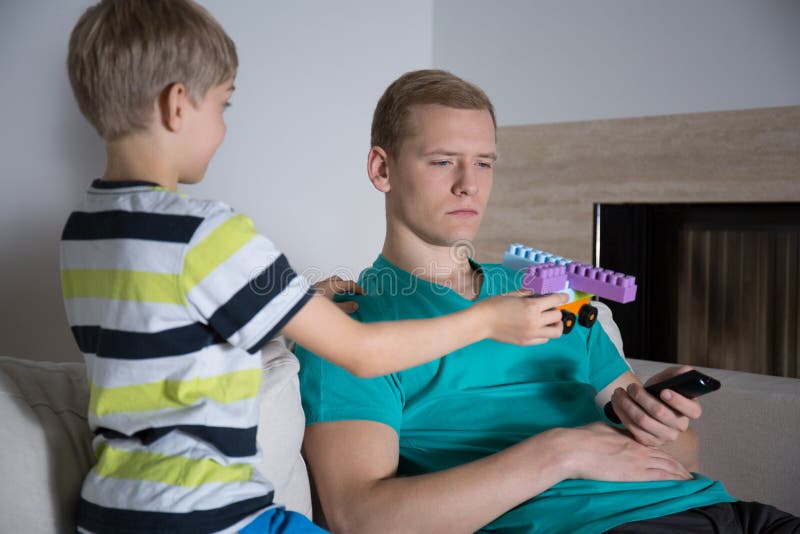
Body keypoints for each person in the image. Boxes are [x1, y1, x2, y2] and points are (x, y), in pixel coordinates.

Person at [59, 4, 567, 533]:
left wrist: (295, 306)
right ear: (177, 105)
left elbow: (172, 334)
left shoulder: (83, 233)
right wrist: (487, 321)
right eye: (223, 105)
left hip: (110, 511)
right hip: (208, 517)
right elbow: (363, 353)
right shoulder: (209, 233)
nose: (223, 128)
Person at [296, 69, 800, 533]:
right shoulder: (350, 330)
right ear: (382, 169)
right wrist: (559, 452)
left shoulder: (555, 297)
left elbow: (684, 456)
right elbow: (361, 518)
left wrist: (656, 420)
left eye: (484, 163)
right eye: (443, 160)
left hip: (724, 513)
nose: (469, 184)